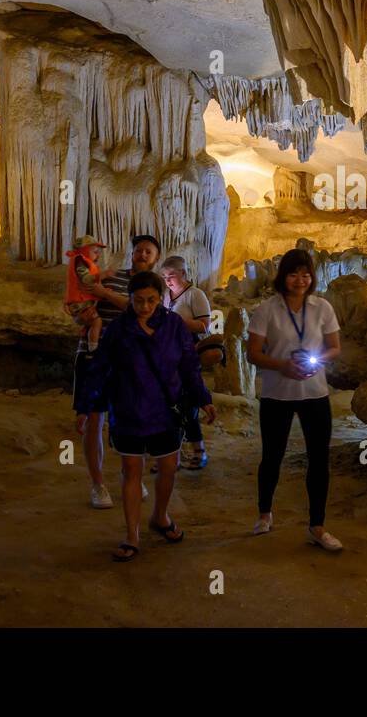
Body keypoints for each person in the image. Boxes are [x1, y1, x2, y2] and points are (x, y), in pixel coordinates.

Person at [79, 270, 215, 562]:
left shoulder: (174, 325)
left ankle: (160, 516)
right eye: (138, 301)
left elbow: (189, 365)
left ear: (161, 298)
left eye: (151, 300)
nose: (145, 307)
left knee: (168, 465)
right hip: (128, 408)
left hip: (165, 408)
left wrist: (203, 398)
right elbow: (100, 367)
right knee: (132, 469)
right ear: (130, 299)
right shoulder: (118, 330)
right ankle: (131, 535)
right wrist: (86, 406)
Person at [246, 248, 344, 551]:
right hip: (278, 393)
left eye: (305, 273)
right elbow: (253, 353)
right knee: (272, 456)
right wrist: (283, 365)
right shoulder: (267, 310)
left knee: (318, 459)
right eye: (293, 273)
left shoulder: (322, 308)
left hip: (315, 393)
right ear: (282, 277)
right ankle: (265, 514)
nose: (300, 279)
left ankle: (317, 525)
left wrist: (316, 361)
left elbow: (334, 348)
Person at [71, 233, 160, 508]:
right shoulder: (109, 276)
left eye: (148, 252)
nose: (142, 254)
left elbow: (143, 315)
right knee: (94, 422)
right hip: (93, 355)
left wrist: (107, 295)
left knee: (132, 421)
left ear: (156, 259)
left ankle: (130, 475)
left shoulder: (153, 288)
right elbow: (80, 304)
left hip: (131, 361)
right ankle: (97, 485)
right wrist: (80, 315)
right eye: (139, 250)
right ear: (132, 253)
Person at [161, 255, 219, 470]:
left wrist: (176, 321)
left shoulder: (195, 295)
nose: (168, 280)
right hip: (169, 354)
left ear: (183, 274)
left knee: (188, 402)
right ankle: (171, 454)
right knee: (170, 404)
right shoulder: (166, 296)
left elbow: (204, 326)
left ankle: (198, 451)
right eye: (165, 277)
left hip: (189, 352)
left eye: (172, 276)